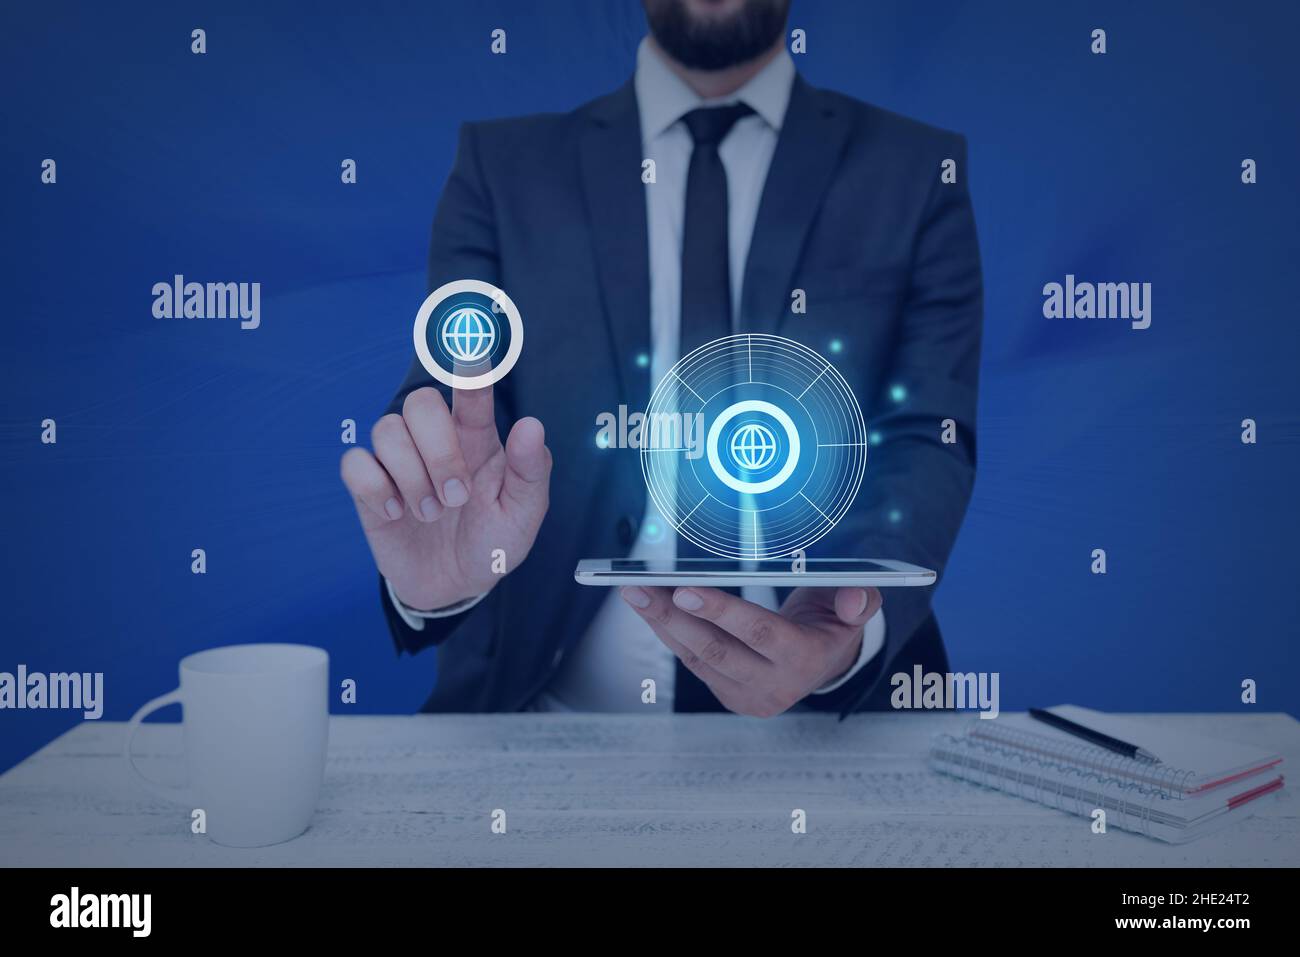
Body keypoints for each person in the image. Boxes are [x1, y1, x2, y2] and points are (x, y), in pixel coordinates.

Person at [339, 0, 982, 716]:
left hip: (838, 716)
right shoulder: (504, 171)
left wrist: (845, 627)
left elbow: (930, 432)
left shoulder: (916, 170)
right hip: (549, 732)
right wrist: (443, 537)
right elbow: (459, 398)